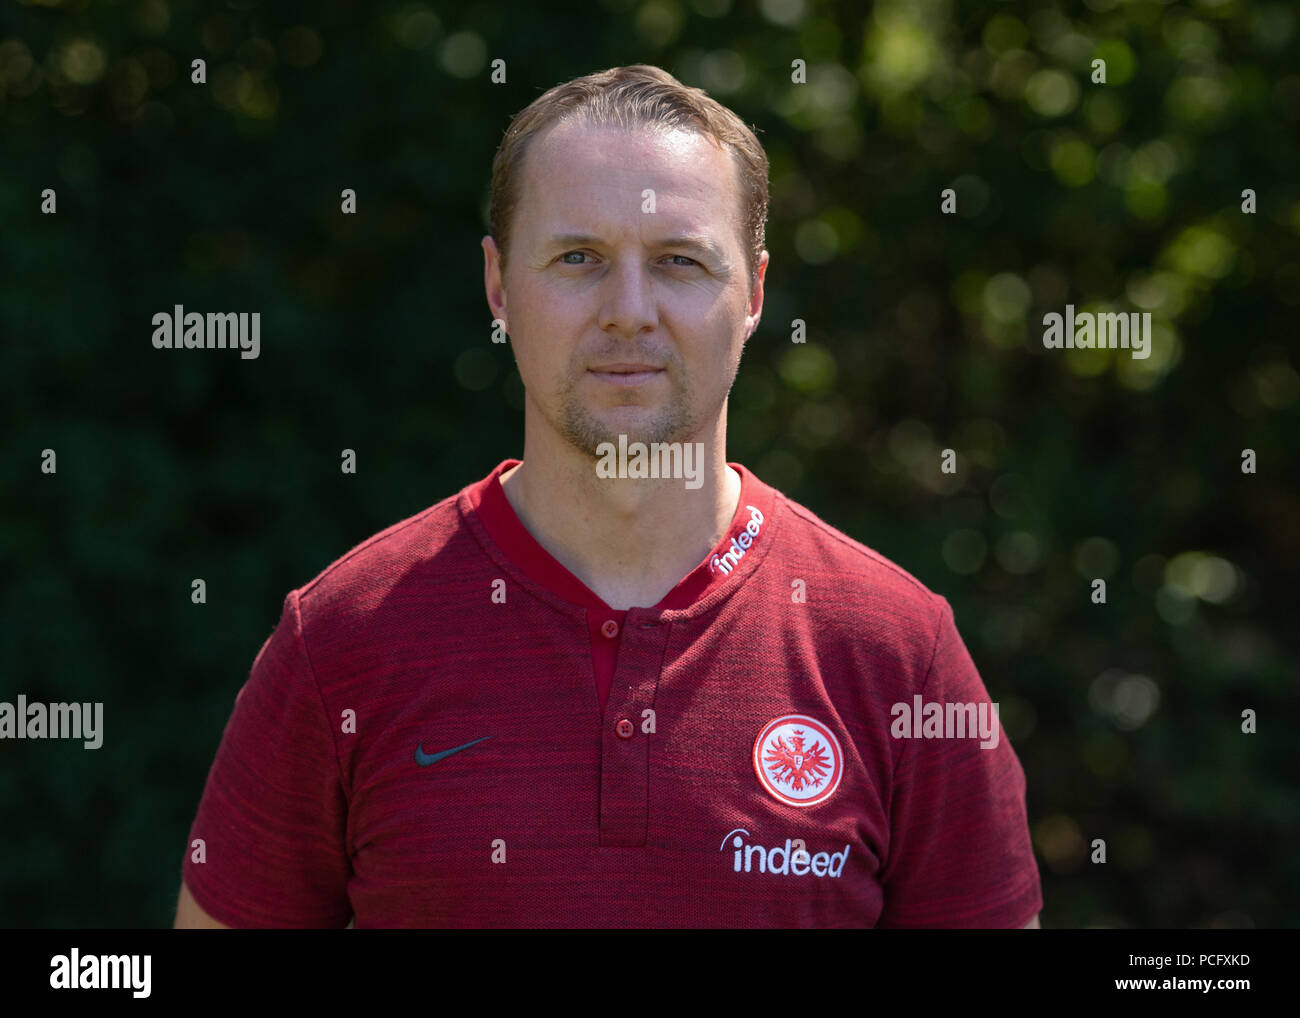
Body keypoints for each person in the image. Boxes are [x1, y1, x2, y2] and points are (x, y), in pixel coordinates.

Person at [174, 64, 1042, 929]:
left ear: (756, 294)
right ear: (498, 286)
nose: (629, 311)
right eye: (578, 258)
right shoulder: (342, 642)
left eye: (679, 261)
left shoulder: (898, 651)